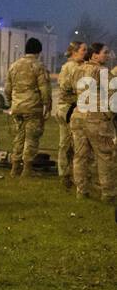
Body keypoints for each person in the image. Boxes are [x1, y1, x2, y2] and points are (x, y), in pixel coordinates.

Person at [70, 41, 117, 205]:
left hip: (78, 117)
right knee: (106, 156)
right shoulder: (102, 71)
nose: (108, 55)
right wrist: (109, 115)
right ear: (95, 55)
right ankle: (108, 194)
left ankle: (81, 191)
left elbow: (71, 89)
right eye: (105, 52)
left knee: (80, 156)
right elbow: (113, 97)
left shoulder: (78, 69)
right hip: (96, 119)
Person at [4, 37, 52, 177]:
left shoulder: (14, 66)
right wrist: (47, 106)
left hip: (17, 107)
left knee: (19, 137)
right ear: (38, 51)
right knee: (31, 138)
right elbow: (44, 89)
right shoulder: (38, 66)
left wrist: (11, 103)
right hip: (32, 108)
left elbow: (7, 88)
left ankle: (14, 167)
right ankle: (27, 169)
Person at [56, 40, 88, 191]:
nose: (85, 52)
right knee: (67, 143)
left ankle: (72, 174)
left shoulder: (81, 66)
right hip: (68, 108)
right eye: (83, 50)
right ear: (75, 52)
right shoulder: (69, 67)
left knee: (74, 144)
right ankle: (65, 174)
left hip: (75, 107)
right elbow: (65, 86)